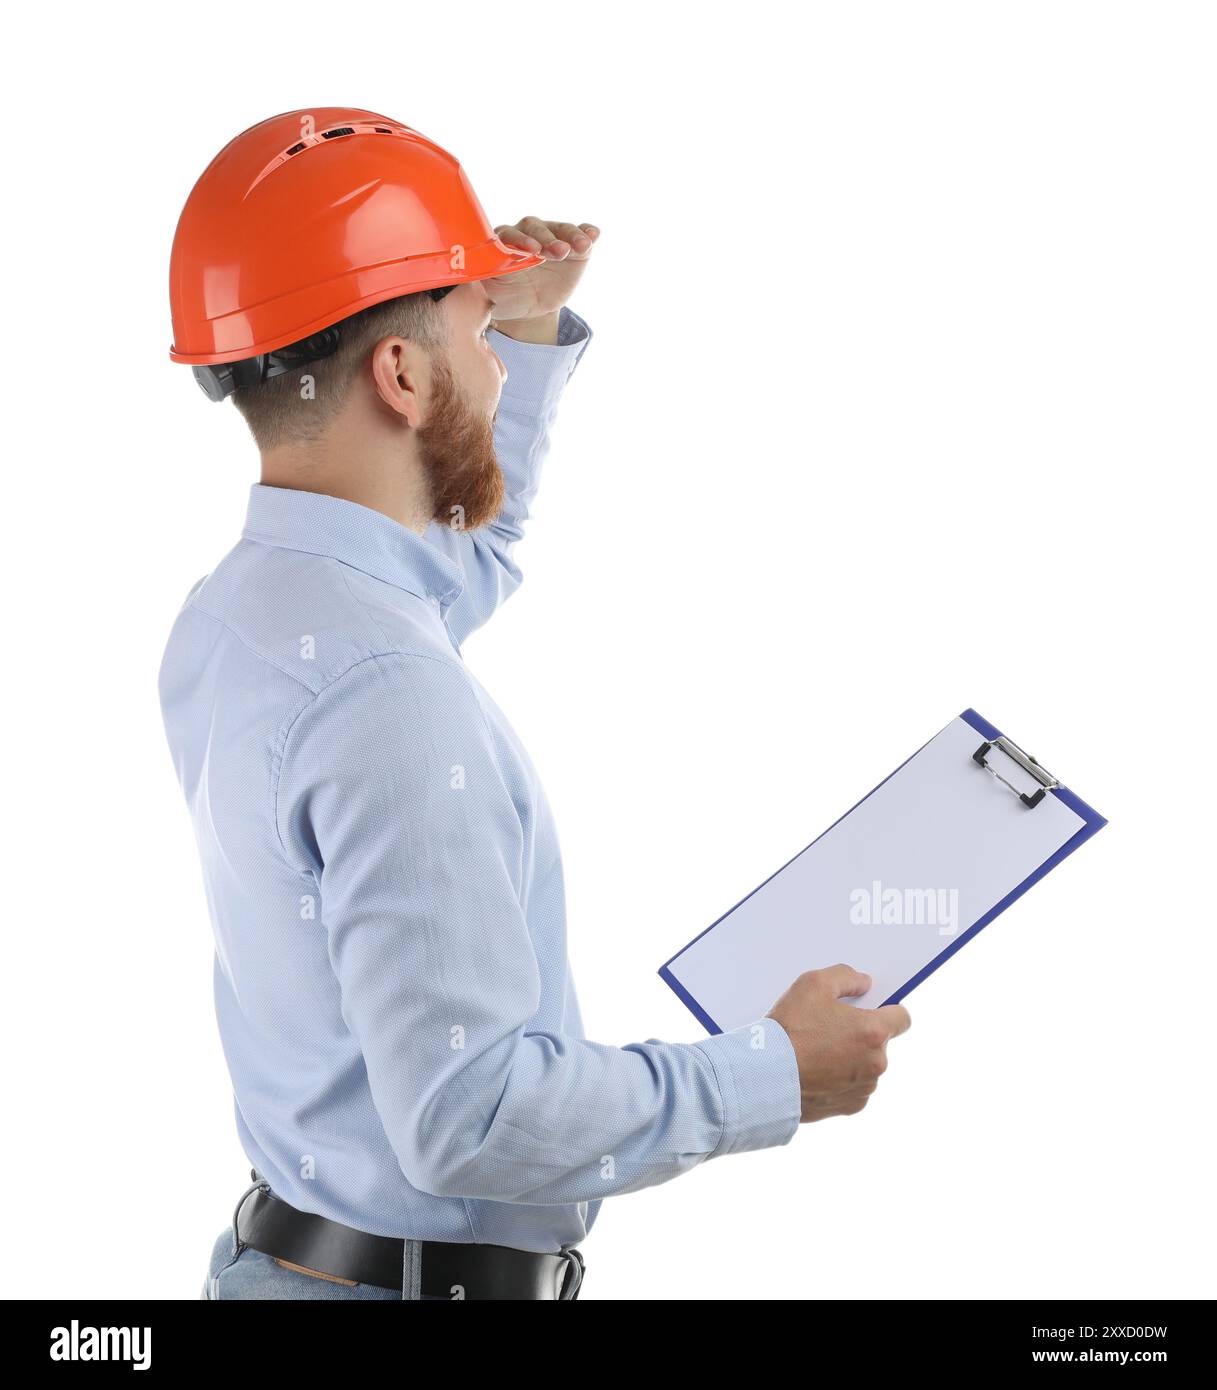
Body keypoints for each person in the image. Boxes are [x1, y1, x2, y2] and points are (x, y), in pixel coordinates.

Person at [160, 108, 911, 1301]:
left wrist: (523, 319)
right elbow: (473, 1115)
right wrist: (777, 1072)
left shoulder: (248, 612)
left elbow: (446, 557)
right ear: (400, 374)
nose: (498, 359)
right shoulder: (386, 694)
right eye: (475, 333)